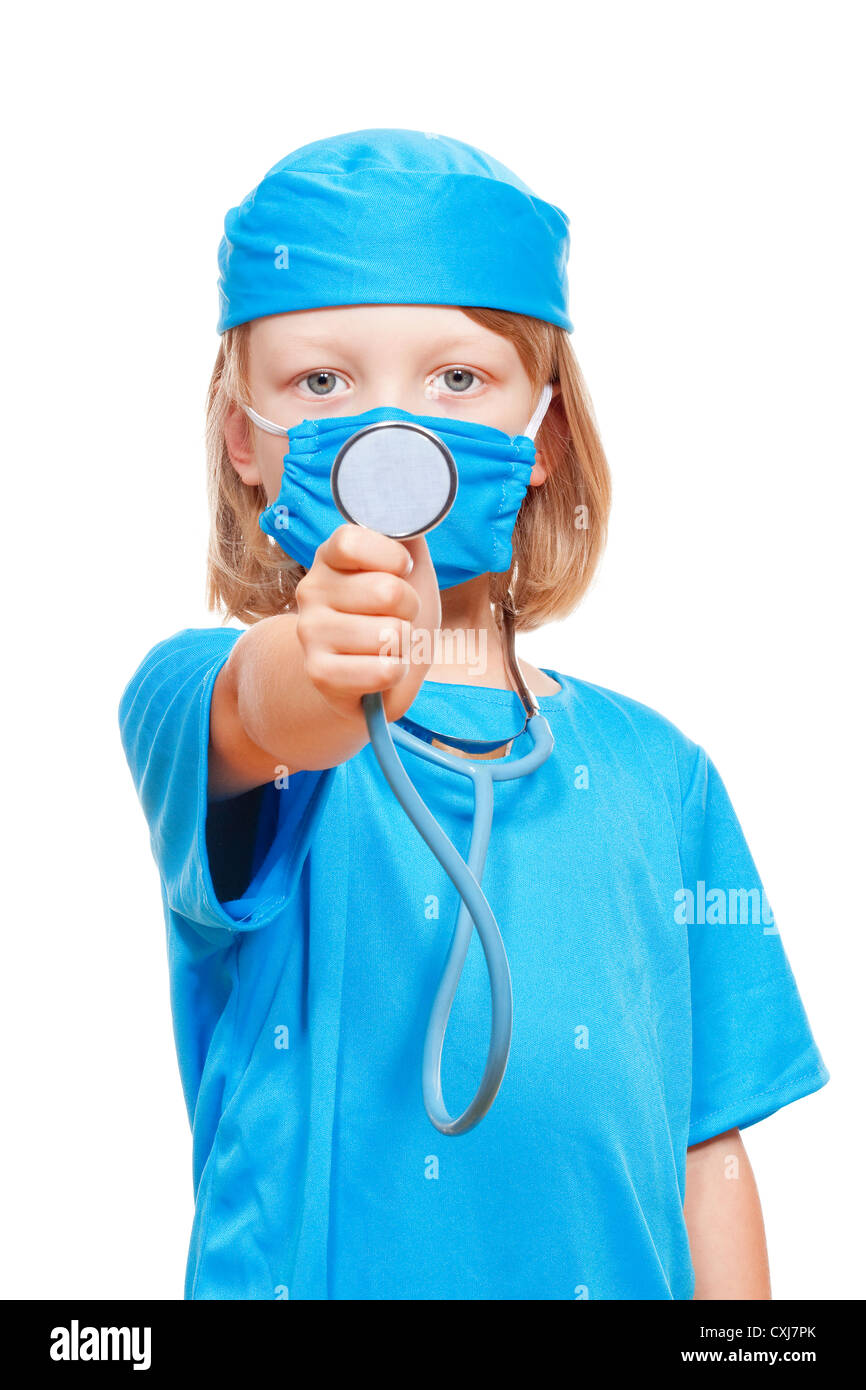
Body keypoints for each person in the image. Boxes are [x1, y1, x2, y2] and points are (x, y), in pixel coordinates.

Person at [118, 128, 828, 1300]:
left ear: (541, 434)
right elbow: (275, 706)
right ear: (243, 439)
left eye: (456, 379)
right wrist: (332, 654)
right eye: (320, 382)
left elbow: (708, 1150)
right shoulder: (201, 700)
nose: (394, 433)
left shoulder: (662, 773)